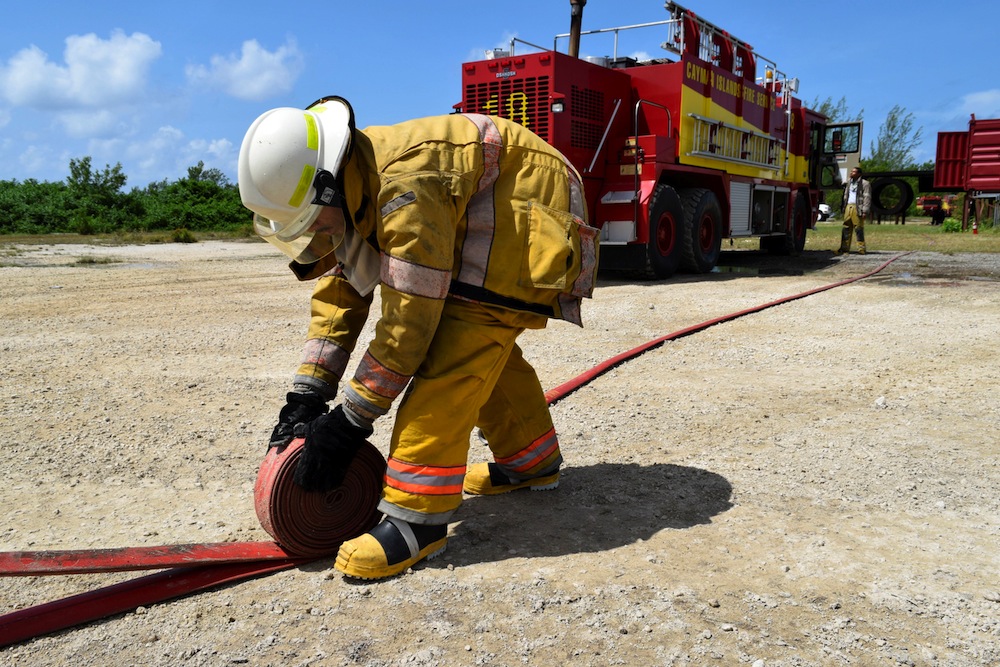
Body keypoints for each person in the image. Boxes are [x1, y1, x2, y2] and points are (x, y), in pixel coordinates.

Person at [238, 96, 599, 580]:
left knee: (459, 345)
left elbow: (409, 325)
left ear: (329, 187)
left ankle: (416, 521)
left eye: (311, 222)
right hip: (493, 195)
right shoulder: (350, 187)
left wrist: (349, 422)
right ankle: (531, 461)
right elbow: (340, 297)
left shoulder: (404, 188)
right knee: (485, 348)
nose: (314, 236)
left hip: (532, 199)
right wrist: (306, 395)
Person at [837, 166, 871, 255]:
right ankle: (844, 248)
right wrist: (834, 175)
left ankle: (861, 248)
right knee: (846, 227)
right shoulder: (849, 182)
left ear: (859, 174)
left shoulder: (865, 183)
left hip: (858, 207)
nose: (851, 173)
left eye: (854, 172)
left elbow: (867, 197)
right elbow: (840, 182)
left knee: (858, 228)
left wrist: (864, 211)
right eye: (851, 171)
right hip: (848, 206)